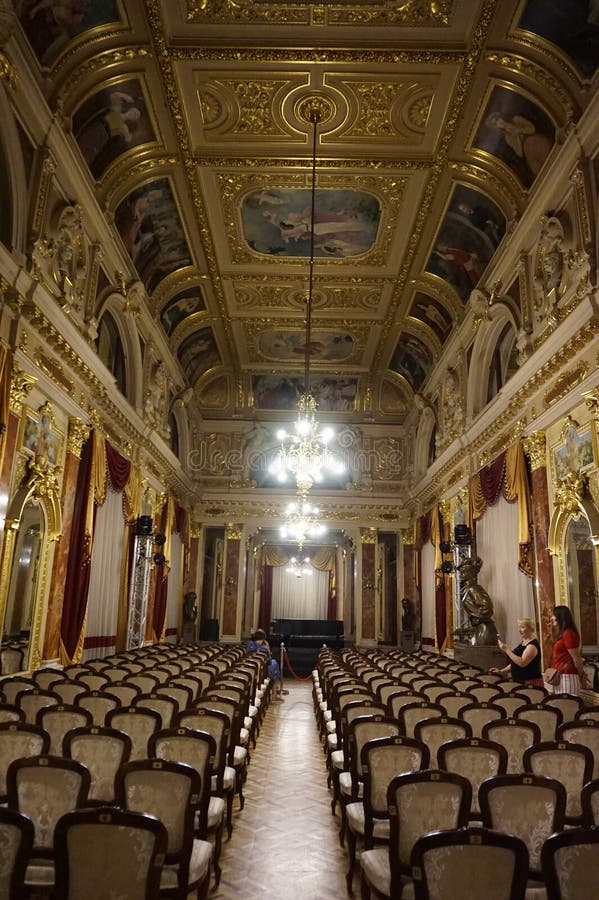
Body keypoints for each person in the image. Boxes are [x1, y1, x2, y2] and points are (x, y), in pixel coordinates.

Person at [546, 605, 590, 695]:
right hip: (561, 677)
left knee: (568, 706)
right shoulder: (563, 633)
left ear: (560, 616)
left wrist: (582, 676)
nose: (552, 618)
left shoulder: (568, 633)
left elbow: (576, 659)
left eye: (554, 615)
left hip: (568, 676)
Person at [490, 617, 543, 685]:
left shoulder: (532, 646)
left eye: (522, 627)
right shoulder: (523, 643)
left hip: (531, 683)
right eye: (519, 627)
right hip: (520, 682)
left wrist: (506, 649)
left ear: (530, 628)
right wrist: (501, 671)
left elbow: (522, 663)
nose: (519, 630)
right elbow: (515, 662)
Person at [247, 628, 283, 701]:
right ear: (262, 639)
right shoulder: (264, 649)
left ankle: (274, 692)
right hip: (262, 670)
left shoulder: (249, 644)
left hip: (250, 668)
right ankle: (274, 694)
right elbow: (268, 659)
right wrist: (267, 648)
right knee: (274, 665)